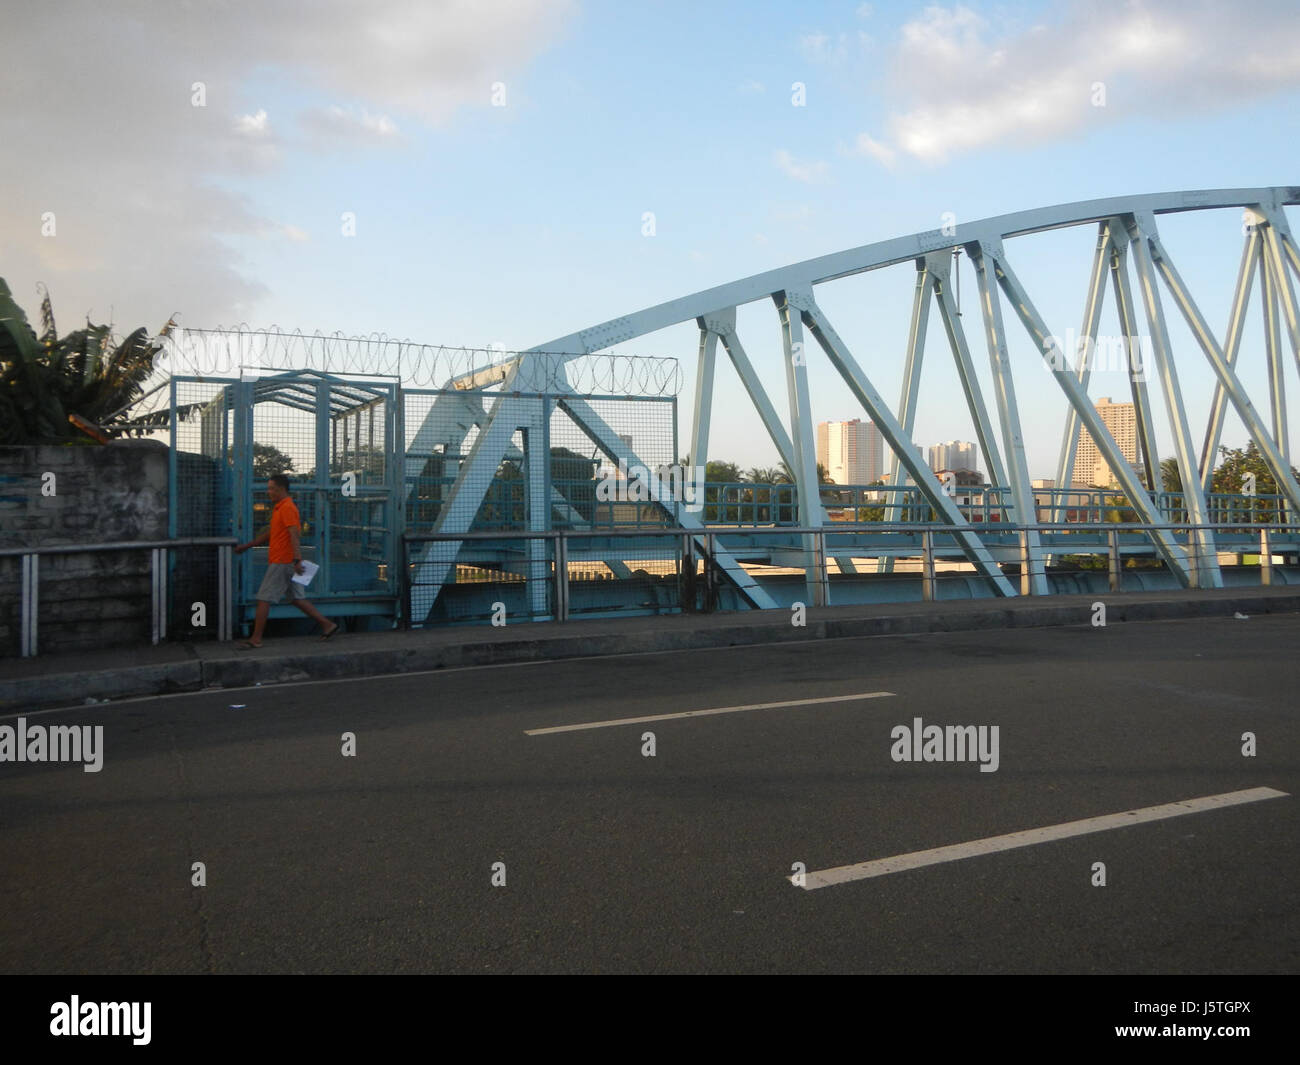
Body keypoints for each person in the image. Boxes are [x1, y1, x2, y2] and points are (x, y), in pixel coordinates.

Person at [233, 474, 339, 647]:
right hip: (287, 560)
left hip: (283, 561)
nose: (269, 492)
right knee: (297, 598)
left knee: (264, 599)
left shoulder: (287, 508)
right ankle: (328, 625)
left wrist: (296, 559)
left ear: (282, 489)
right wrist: (247, 546)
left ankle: (256, 639)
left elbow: (294, 533)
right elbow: (271, 534)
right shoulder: (279, 508)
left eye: (272, 488)